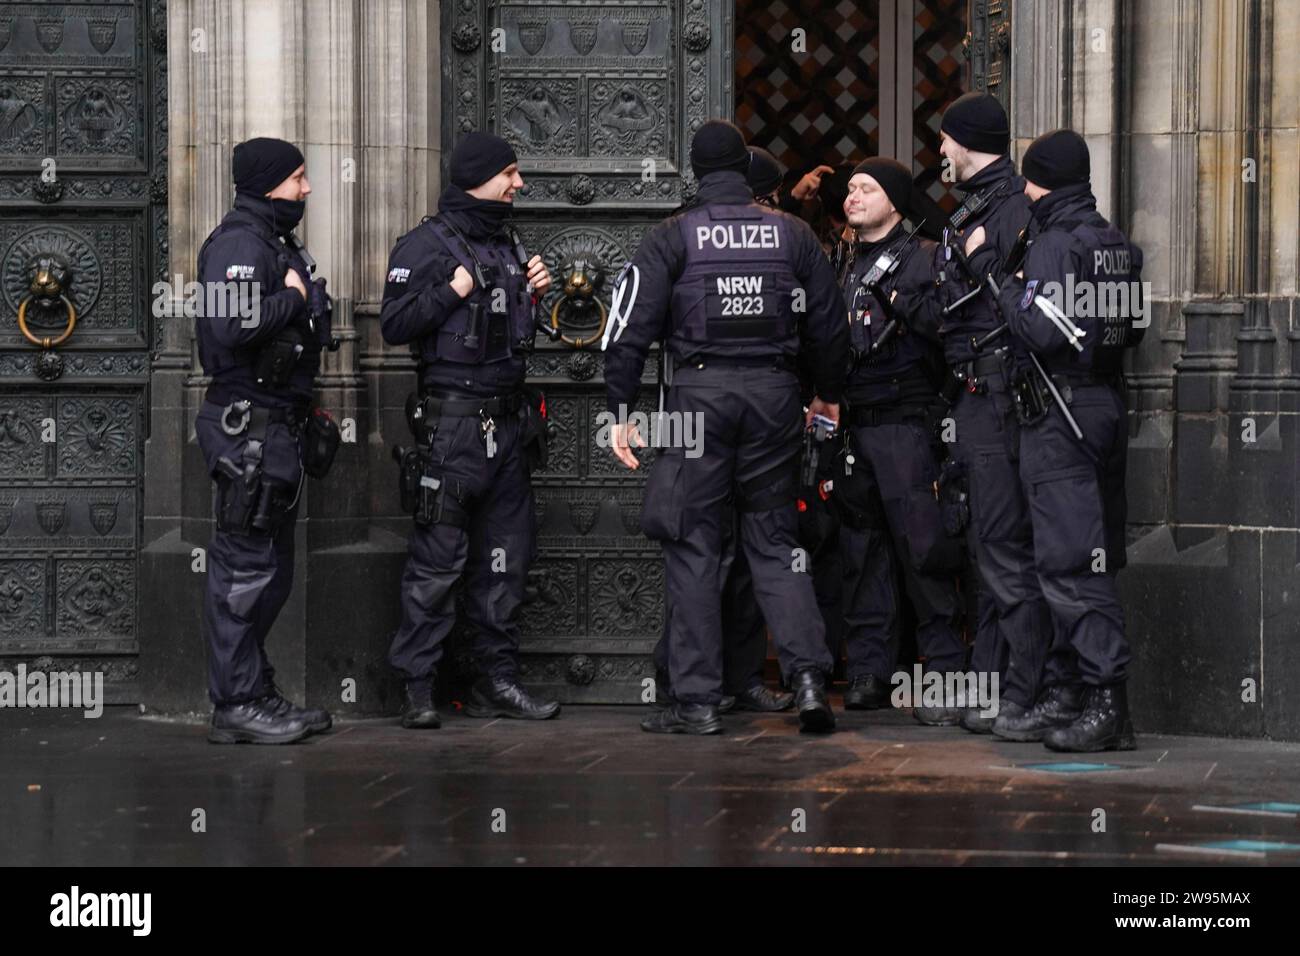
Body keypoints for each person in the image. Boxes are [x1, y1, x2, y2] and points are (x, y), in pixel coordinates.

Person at [603, 119, 849, 735]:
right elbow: (829, 326)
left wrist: (622, 410)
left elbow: (627, 329)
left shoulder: (671, 236)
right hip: (773, 396)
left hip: (695, 399)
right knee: (774, 542)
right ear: (744, 168)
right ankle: (811, 680)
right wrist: (827, 395)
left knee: (694, 545)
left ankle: (697, 701)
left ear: (694, 171)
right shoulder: (793, 235)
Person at [380, 131, 559, 728]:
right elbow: (395, 323)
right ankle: (418, 686)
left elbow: (515, 333)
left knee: (505, 559)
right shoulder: (425, 245)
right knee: (437, 561)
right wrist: (451, 288)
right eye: (510, 173)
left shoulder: (507, 243)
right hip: (453, 429)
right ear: (478, 176)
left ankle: (494, 680)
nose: (519, 184)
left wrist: (531, 295)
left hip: (507, 426)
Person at [990, 129, 1143, 751]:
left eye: (1028, 180)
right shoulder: (1115, 243)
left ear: (1041, 182)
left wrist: (999, 283)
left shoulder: (1055, 243)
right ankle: (1070, 691)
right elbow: (1131, 328)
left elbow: (1041, 328)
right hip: (1103, 405)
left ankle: (1107, 702)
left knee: (1069, 561)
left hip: (1061, 413)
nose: (1023, 191)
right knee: (1086, 550)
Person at [195, 137, 338, 744]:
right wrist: (293, 298)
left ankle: (253, 687)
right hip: (246, 426)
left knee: (270, 569)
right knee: (245, 567)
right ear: (268, 183)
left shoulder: (276, 242)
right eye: (299, 179)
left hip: (276, 423)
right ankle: (236, 703)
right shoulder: (237, 243)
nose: (307, 190)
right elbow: (229, 323)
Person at [917, 92, 1051, 733]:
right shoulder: (979, 205)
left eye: (945, 139)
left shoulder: (1010, 209)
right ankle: (994, 686)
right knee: (987, 544)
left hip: (998, 393)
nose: (940, 150)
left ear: (967, 141)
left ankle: (1024, 691)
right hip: (973, 391)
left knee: (1001, 546)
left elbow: (1007, 305)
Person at [830, 158, 966, 722]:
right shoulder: (841, 261)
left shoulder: (926, 258)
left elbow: (947, 331)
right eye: (850, 189)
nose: (852, 196)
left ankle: (945, 670)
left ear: (895, 200)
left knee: (923, 550)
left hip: (907, 424)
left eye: (866, 188)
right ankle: (869, 670)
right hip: (854, 426)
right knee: (861, 553)